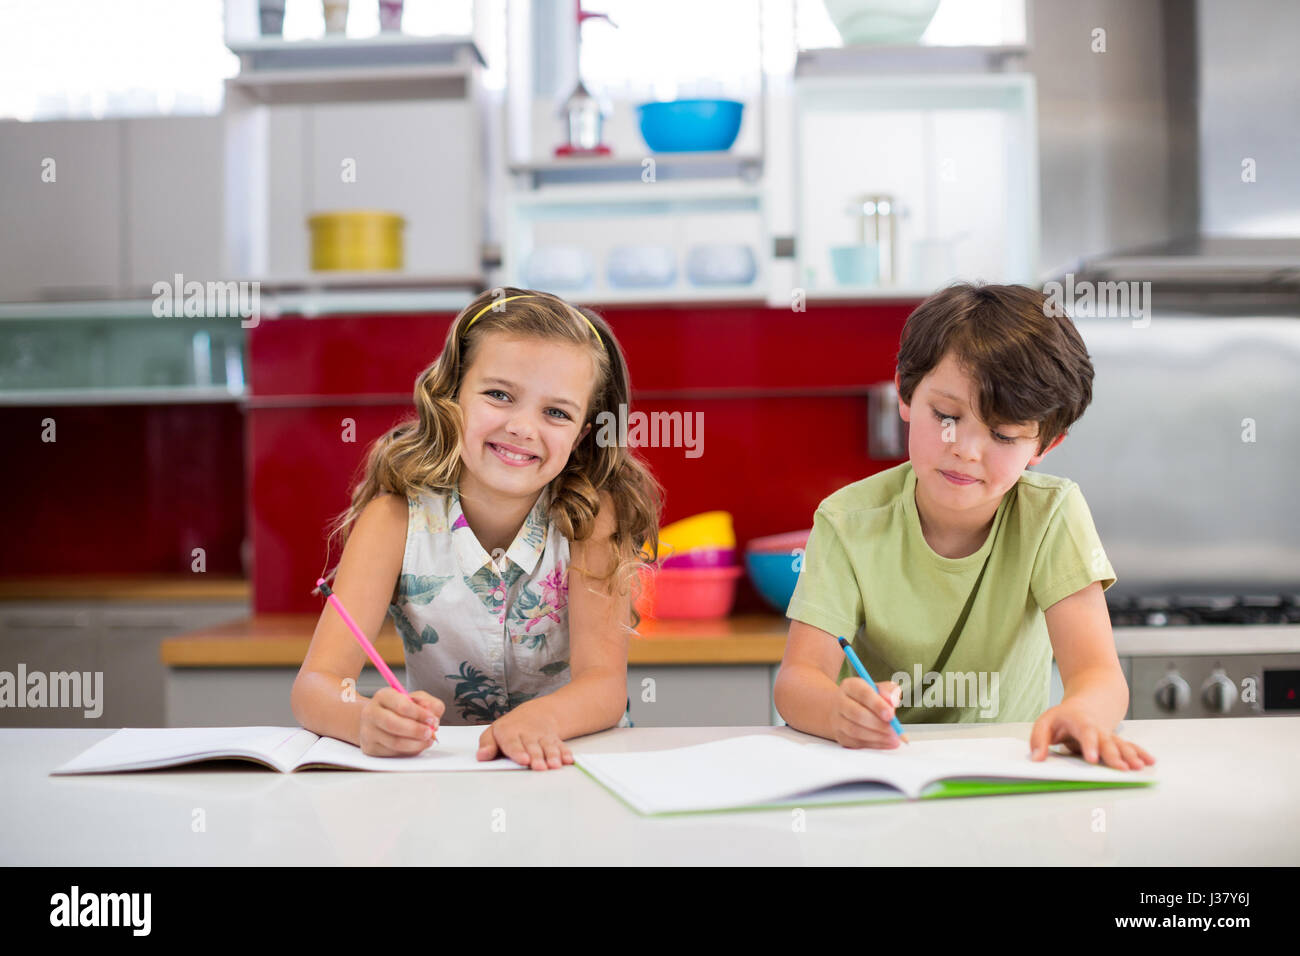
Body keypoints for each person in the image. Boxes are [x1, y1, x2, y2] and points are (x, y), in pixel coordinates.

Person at [774, 282, 1155, 771]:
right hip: (882, 772)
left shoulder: (1052, 515)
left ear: (1044, 447)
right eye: (947, 416)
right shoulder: (847, 521)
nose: (967, 450)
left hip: (1009, 771)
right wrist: (837, 712)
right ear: (905, 395)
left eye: (1003, 434)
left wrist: (1082, 713)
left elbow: (1099, 675)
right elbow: (798, 680)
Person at [291, 288, 661, 771]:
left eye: (556, 413)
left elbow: (603, 687)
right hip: (446, 770)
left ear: (583, 433)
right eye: (499, 395)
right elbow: (317, 684)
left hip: (573, 765)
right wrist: (363, 720)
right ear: (451, 396)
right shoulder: (394, 518)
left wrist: (539, 720)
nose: (523, 428)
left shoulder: (592, 519)